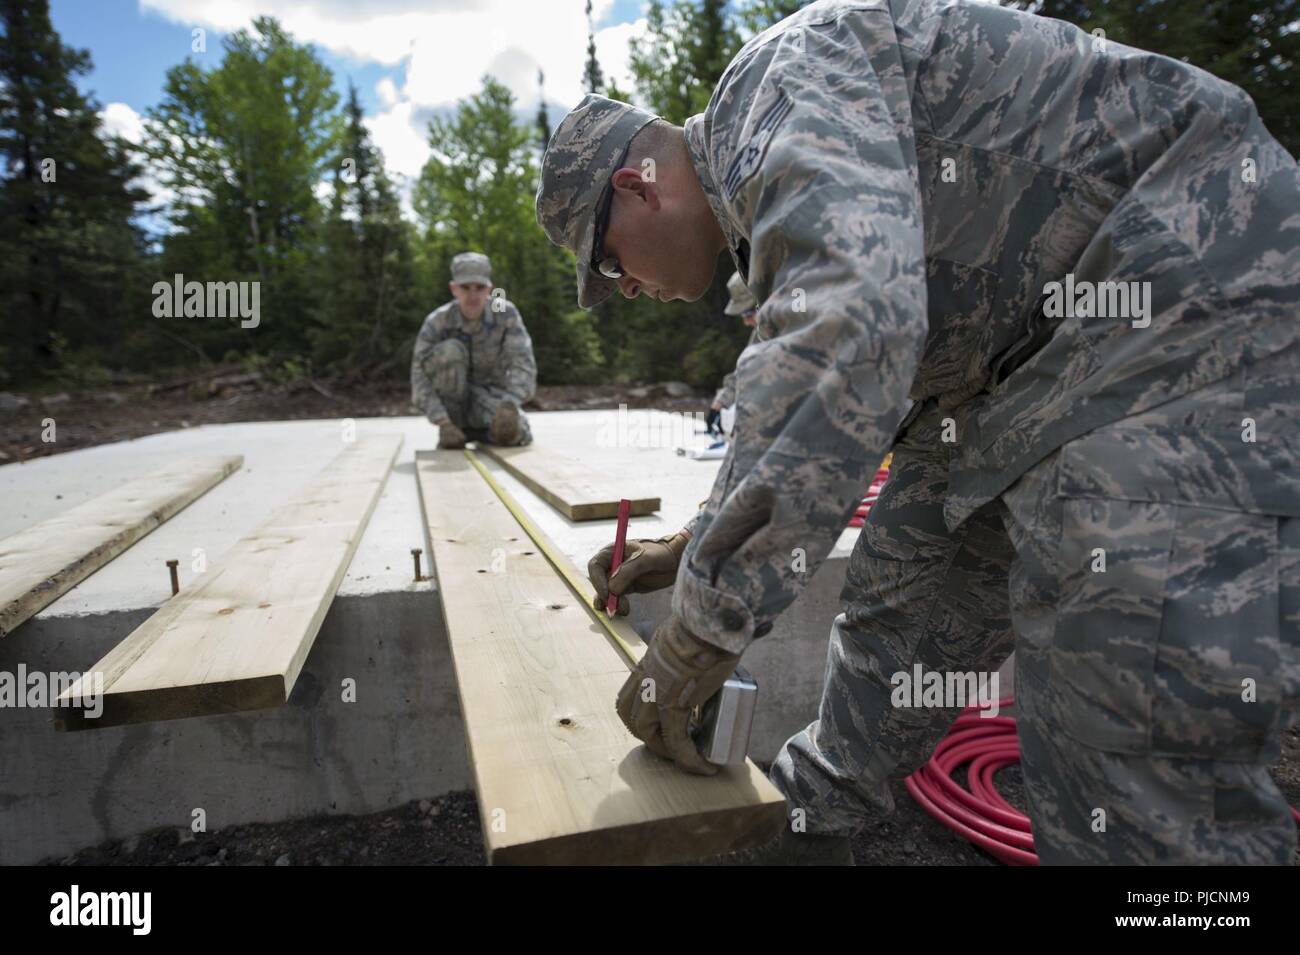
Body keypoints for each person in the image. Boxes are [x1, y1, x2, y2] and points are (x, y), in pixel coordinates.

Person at [537, 0, 1300, 864]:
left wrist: (700, 631)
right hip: (1022, 370)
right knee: (904, 587)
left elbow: (848, 332)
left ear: (638, 187)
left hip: (1180, 294)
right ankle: (820, 814)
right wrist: (698, 541)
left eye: (609, 265)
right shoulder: (769, 189)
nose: (625, 290)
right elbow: (831, 378)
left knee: (1119, 724)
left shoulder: (773, 90)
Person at [410, 252, 537, 448]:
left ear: (490, 289)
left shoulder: (506, 314)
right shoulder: (437, 321)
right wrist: (442, 421)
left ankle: (490, 432)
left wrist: (510, 405)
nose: (473, 295)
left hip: (491, 402)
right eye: (465, 287)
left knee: (515, 432)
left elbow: (523, 363)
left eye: (479, 288)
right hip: (452, 415)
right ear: (453, 289)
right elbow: (419, 376)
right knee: (450, 350)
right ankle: (456, 432)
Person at [707, 271, 759, 438]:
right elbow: (747, 367)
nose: (746, 321)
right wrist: (720, 403)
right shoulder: (763, 331)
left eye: (749, 313)